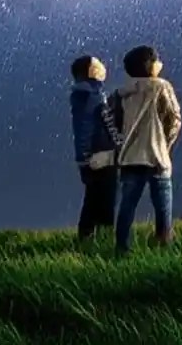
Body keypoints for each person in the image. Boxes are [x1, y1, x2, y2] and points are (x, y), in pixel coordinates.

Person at [114, 46, 182, 253]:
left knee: (127, 205)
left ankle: (122, 247)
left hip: (129, 157)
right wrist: (165, 143)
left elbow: (114, 122)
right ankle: (164, 242)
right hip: (156, 156)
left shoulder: (121, 93)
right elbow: (174, 119)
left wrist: (121, 142)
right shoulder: (161, 86)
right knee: (163, 206)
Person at [69, 55, 121, 240]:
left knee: (91, 199)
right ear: (91, 71)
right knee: (106, 199)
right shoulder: (96, 95)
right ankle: (104, 239)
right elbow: (109, 124)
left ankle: (85, 237)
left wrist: (82, 157)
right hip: (102, 155)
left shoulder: (79, 96)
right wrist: (120, 146)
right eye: (98, 64)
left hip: (86, 157)